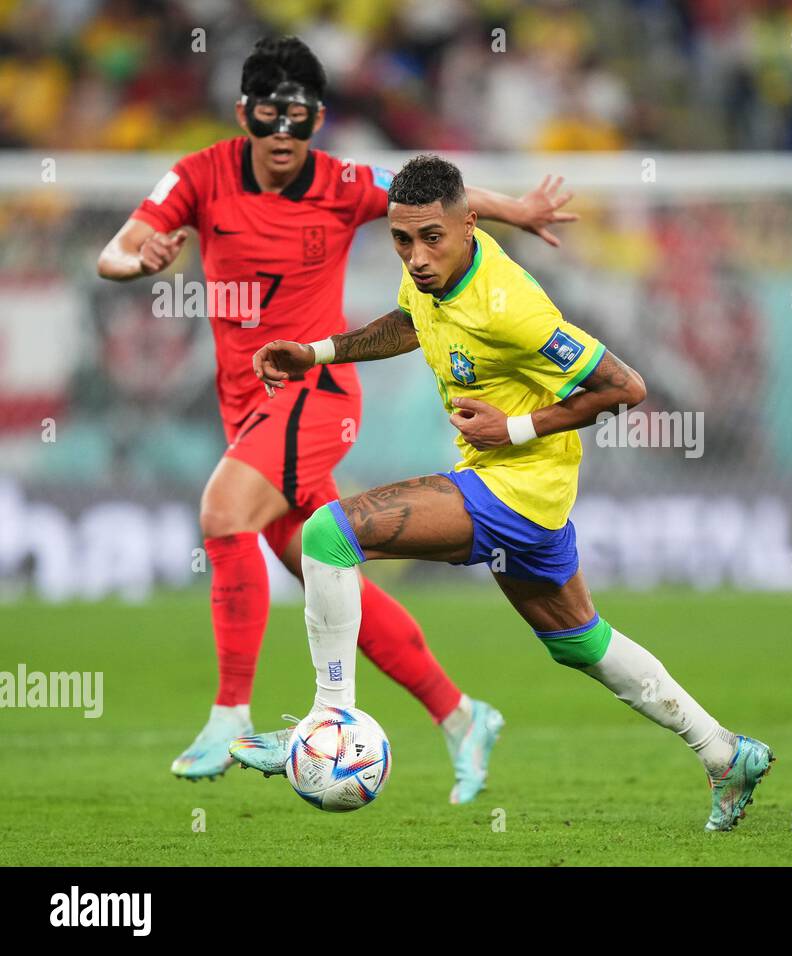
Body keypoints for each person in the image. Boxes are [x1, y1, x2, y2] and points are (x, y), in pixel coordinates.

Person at [97, 36, 576, 802]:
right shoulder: (197, 176)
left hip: (315, 395)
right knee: (328, 571)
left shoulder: (346, 182)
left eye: (298, 118)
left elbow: (443, 200)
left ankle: (228, 716)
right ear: (242, 114)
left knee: (223, 515)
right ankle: (460, 715)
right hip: (247, 413)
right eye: (268, 116)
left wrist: (517, 209)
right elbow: (112, 254)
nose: (283, 134)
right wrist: (141, 262)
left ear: (316, 119)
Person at [236, 154, 774, 831]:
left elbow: (625, 387)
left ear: (468, 225)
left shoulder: (509, 306)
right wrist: (317, 354)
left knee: (327, 535)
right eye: (402, 240)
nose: (416, 256)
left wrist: (513, 425)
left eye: (431, 238)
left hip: (514, 486)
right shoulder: (434, 274)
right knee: (579, 641)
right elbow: (410, 321)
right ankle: (725, 752)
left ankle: (328, 718)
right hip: (529, 496)